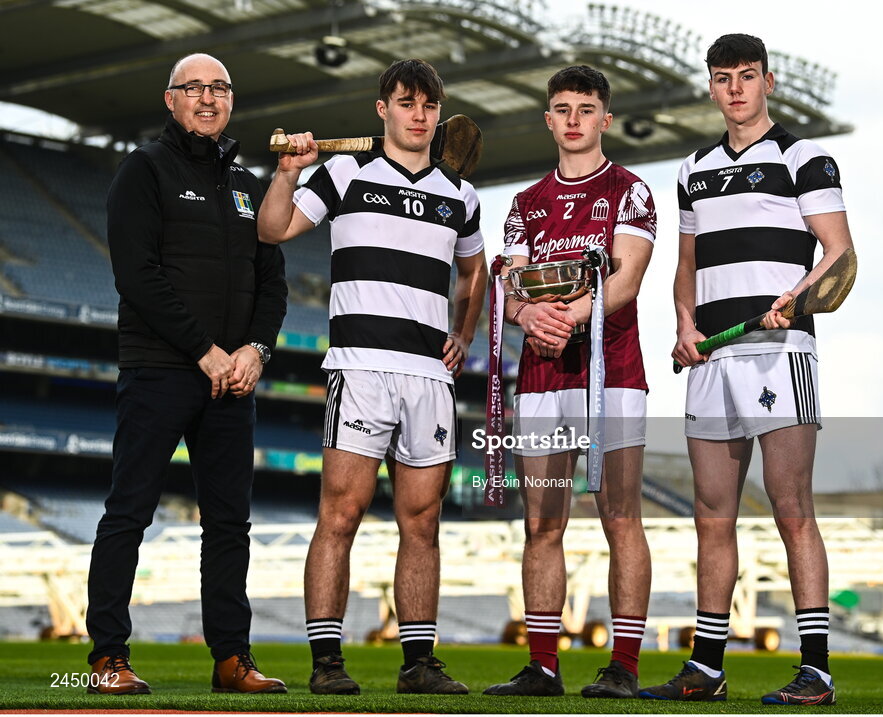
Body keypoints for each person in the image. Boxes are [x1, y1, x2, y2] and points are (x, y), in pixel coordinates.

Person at [257, 58, 487, 696]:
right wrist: (286, 172)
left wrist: (464, 333)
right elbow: (273, 229)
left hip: (427, 378)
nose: (419, 115)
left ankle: (418, 664)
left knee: (423, 521)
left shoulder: (460, 197)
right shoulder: (344, 172)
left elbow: (474, 273)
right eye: (407, 102)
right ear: (381, 108)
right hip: (358, 370)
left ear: (439, 116)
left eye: (429, 106)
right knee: (341, 513)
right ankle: (327, 662)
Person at [639, 34, 853, 706]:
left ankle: (815, 670)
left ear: (768, 81)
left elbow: (840, 253)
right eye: (724, 77)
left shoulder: (803, 157)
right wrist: (682, 323)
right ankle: (705, 667)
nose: (736, 88)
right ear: (711, 86)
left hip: (778, 353)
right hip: (713, 356)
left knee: (792, 508)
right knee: (711, 514)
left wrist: (797, 296)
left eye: (747, 75)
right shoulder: (693, 167)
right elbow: (686, 265)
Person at [86, 53, 288, 695]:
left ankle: (232, 660)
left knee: (229, 524)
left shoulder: (249, 185)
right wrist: (205, 350)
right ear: (170, 100)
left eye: (219, 88)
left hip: (233, 380)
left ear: (232, 101)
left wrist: (255, 349)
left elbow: (273, 286)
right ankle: (105, 659)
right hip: (160, 371)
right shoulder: (143, 169)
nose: (207, 98)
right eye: (194, 88)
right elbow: (136, 276)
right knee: (129, 511)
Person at [483, 65, 656, 699]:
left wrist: (563, 317)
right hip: (543, 377)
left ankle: (625, 667)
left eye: (587, 108)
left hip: (614, 375)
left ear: (605, 118)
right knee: (542, 523)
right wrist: (532, 316)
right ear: (549, 120)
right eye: (563, 108)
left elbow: (627, 280)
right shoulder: (524, 204)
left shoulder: (632, 190)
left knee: (620, 516)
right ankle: (543, 667)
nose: (575, 118)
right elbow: (512, 284)